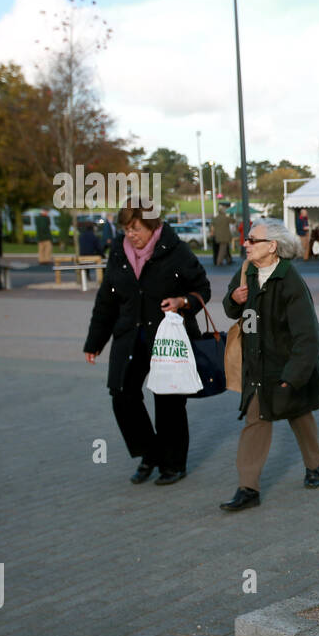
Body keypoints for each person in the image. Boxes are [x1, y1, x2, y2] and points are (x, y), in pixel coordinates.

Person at [83, 199, 211, 486]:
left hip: (167, 338)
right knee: (122, 395)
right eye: (126, 228)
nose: (131, 234)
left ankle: (174, 464)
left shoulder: (176, 250)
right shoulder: (118, 251)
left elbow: (202, 288)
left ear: (153, 226)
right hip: (130, 337)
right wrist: (95, 341)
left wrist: (183, 301)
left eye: (136, 228)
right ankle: (150, 453)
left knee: (169, 403)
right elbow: (107, 300)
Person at [220, 218, 319, 511]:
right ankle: (248, 488)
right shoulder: (246, 272)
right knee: (256, 421)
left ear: (272, 246)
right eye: (247, 239)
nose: (246, 244)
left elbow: (308, 335)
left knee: (299, 416)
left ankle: (314, 465)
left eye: (253, 240)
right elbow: (230, 310)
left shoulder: (290, 279)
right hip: (256, 365)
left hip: (286, 365)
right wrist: (234, 299)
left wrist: (292, 377)